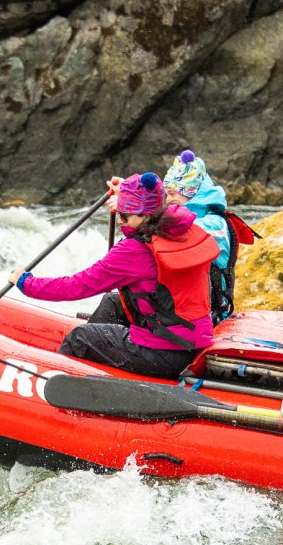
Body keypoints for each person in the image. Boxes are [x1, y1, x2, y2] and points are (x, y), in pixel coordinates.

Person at [16, 172, 218, 378]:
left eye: (124, 215)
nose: (120, 221)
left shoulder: (135, 251)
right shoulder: (178, 228)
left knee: (79, 339)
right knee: (112, 301)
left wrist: (27, 283)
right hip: (189, 344)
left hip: (162, 354)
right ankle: (96, 370)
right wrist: (127, 193)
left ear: (144, 215)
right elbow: (152, 197)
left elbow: (78, 285)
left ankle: (58, 392)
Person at [163, 150, 247, 324]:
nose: (167, 200)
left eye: (172, 194)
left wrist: (140, 214)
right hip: (180, 308)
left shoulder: (214, 223)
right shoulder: (179, 217)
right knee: (112, 301)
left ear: (191, 192)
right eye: (166, 194)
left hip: (209, 315)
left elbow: (179, 231)